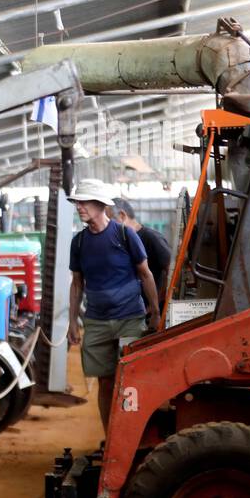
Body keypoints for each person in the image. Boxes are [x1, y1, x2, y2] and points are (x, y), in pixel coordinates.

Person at [66, 180, 160, 434]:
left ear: (101, 205)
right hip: (96, 321)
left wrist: (155, 313)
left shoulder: (123, 234)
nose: (79, 207)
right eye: (77, 202)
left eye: (84, 202)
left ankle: (133, 435)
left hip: (130, 317)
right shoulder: (79, 243)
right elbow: (77, 284)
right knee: (105, 382)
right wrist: (73, 321)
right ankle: (112, 439)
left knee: (132, 380)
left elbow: (145, 274)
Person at [113, 197, 172, 310]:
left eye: (109, 221)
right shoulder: (119, 241)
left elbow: (173, 272)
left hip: (149, 312)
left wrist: (155, 305)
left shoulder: (151, 238)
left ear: (122, 216)